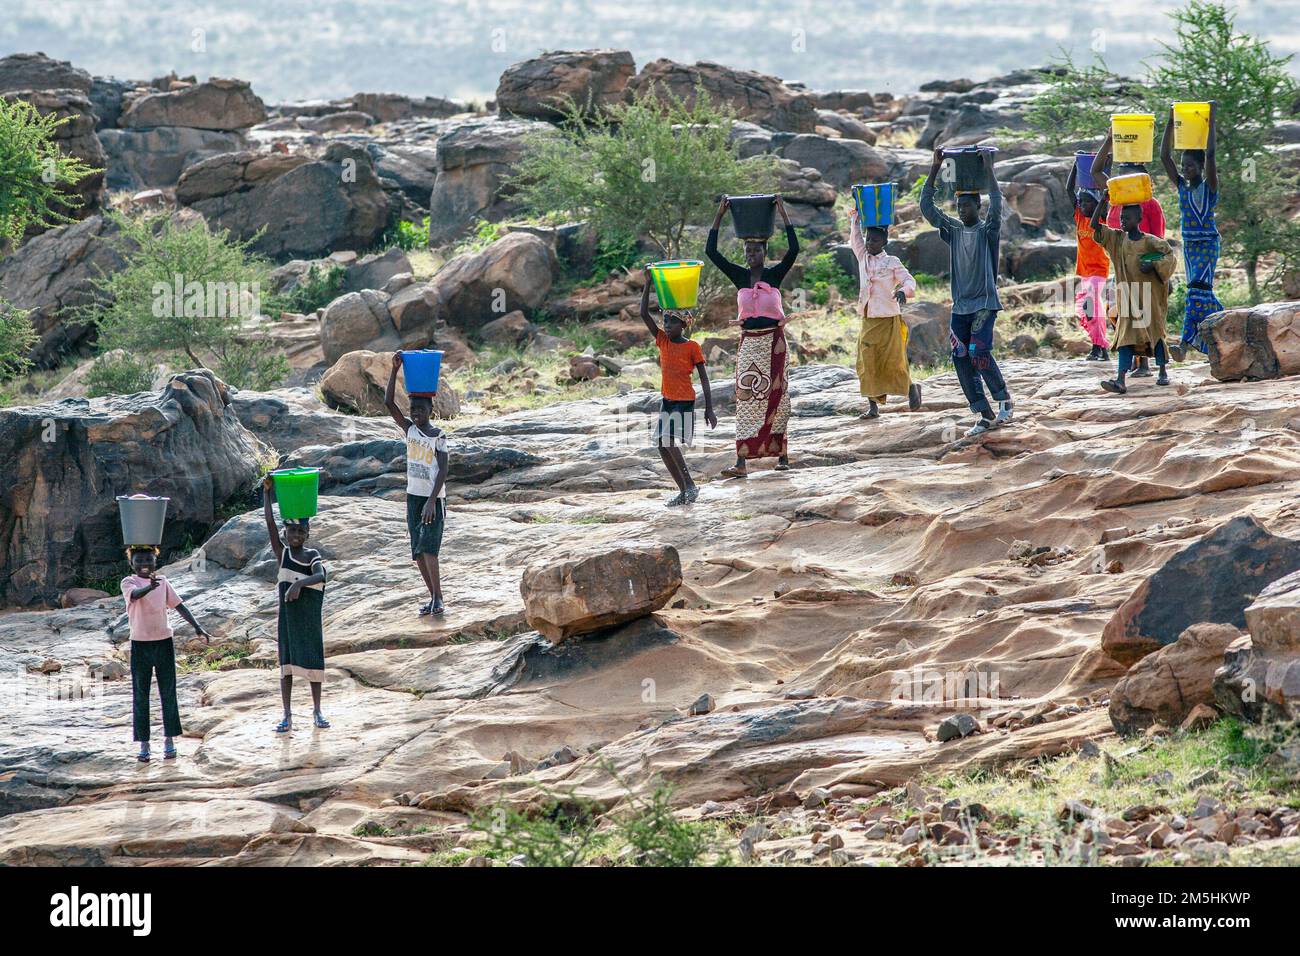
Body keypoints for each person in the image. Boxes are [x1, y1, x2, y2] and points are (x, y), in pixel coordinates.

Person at [920, 147, 1013, 436]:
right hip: (961, 306)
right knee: (960, 356)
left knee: (978, 351)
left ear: (977, 207)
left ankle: (1003, 400)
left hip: (985, 303)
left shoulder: (989, 230)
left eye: (967, 207)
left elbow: (997, 203)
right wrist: (935, 168)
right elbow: (927, 208)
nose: (962, 211)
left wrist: (990, 170)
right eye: (959, 207)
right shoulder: (953, 230)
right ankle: (983, 413)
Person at [706, 195, 799, 477]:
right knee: (747, 397)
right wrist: (720, 215)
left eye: (756, 251)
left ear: (764, 251)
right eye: (747, 251)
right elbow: (711, 252)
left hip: (773, 343)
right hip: (749, 342)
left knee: (777, 397)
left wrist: (782, 212)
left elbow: (794, 249)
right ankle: (742, 462)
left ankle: (781, 454)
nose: (751, 255)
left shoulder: (774, 275)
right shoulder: (739, 277)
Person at [120, 545, 208, 761]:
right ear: (131, 563)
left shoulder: (163, 582)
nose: (144, 565)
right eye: (139, 561)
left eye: (148, 560)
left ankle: (169, 740)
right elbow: (135, 596)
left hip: (163, 642)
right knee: (141, 695)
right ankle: (144, 744)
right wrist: (149, 587)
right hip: (140, 644)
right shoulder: (128, 582)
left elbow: (179, 606)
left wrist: (197, 626)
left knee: (168, 692)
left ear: (155, 562)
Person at [1091, 132, 1167, 377]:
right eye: (1120, 174)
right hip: (1122, 272)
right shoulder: (1116, 199)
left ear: (1141, 178)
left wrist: (1154, 266)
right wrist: (1111, 139)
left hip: (1145, 274)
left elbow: (1161, 245)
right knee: (1118, 315)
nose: (1121, 178)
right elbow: (1095, 172)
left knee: (1144, 319)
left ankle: (1146, 365)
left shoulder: (1149, 204)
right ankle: (1137, 361)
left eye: (1127, 174)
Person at [639, 270, 717, 505]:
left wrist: (709, 408)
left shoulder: (692, 346)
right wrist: (648, 284)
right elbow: (643, 314)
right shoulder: (662, 340)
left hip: (684, 400)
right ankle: (684, 490)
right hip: (667, 400)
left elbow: (704, 378)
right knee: (662, 445)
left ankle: (690, 486)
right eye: (665, 320)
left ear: (684, 323)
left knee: (668, 440)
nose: (667, 325)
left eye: (673, 321)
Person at [1089, 196, 1177, 394]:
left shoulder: (1150, 241)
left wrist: (1154, 264)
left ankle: (1163, 371)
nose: (1123, 222)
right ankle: (1120, 380)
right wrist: (1103, 201)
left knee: (1155, 333)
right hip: (1127, 297)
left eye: (1127, 218)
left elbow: (1169, 257)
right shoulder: (1117, 240)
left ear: (1138, 219)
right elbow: (1095, 226)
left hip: (1149, 297)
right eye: (1121, 218)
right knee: (1125, 336)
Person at [262, 478, 329, 732]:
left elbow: (320, 575)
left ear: (307, 534)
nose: (296, 536)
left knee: (313, 662)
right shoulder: (284, 554)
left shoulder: (311, 556)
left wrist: (297, 585)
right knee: (286, 666)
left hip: (308, 619)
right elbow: (269, 522)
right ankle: (287, 714)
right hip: (289, 620)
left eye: (301, 532)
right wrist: (267, 493)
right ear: (285, 534)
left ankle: (317, 710)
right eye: (292, 532)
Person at [386, 355, 449, 616]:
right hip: (413, 497)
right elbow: (389, 403)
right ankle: (432, 596)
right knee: (417, 551)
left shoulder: (438, 436)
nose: (416, 414)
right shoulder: (410, 430)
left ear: (430, 412)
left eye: (421, 411)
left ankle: (439, 597)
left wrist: (432, 501)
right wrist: (394, 370)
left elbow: (443, 468)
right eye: (413, 411)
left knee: (429, 547)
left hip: (432, 499)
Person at [1160, 101, 1220, 361]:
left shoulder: (1210, 188)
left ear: (1200, 167)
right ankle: (1222, 325)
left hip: (1207, 244)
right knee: (1202, 293)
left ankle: (1185, 344)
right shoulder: (1182, 187)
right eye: (1184, 166)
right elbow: (1164, 157)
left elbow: (1211, 156)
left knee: (1195, 290)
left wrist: (1211, 119)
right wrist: (1171, 119)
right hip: (1190, 246)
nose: (1185, 169)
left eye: (1190, 166)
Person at [848, 213, 921, 418]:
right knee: (866, 362)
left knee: (893, 361)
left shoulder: (891, 262)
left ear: (885, 242)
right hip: (868, 319)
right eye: (868, 239)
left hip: (889, 318)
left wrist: (902, 291)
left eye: (875, 240)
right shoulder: (863, 257)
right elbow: (855, 239)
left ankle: (911, 388)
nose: (870, 243)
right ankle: (873, 406)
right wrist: (855, 218)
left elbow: (909, 281)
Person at [1066, 162, 1111, 362]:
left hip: (1099, 270)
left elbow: (1104, 200)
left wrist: (1102, 198)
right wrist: (1077, 166)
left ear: (1096, 204)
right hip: (1084, 271)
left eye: (1087, 203)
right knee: (1090, 310)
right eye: (1081, 203)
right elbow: (1069, 189)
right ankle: (1101, 348)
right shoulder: (1079, 217)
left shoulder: (1101, 218)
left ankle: (1098, 347)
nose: (1083, 206)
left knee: (1090, 307)